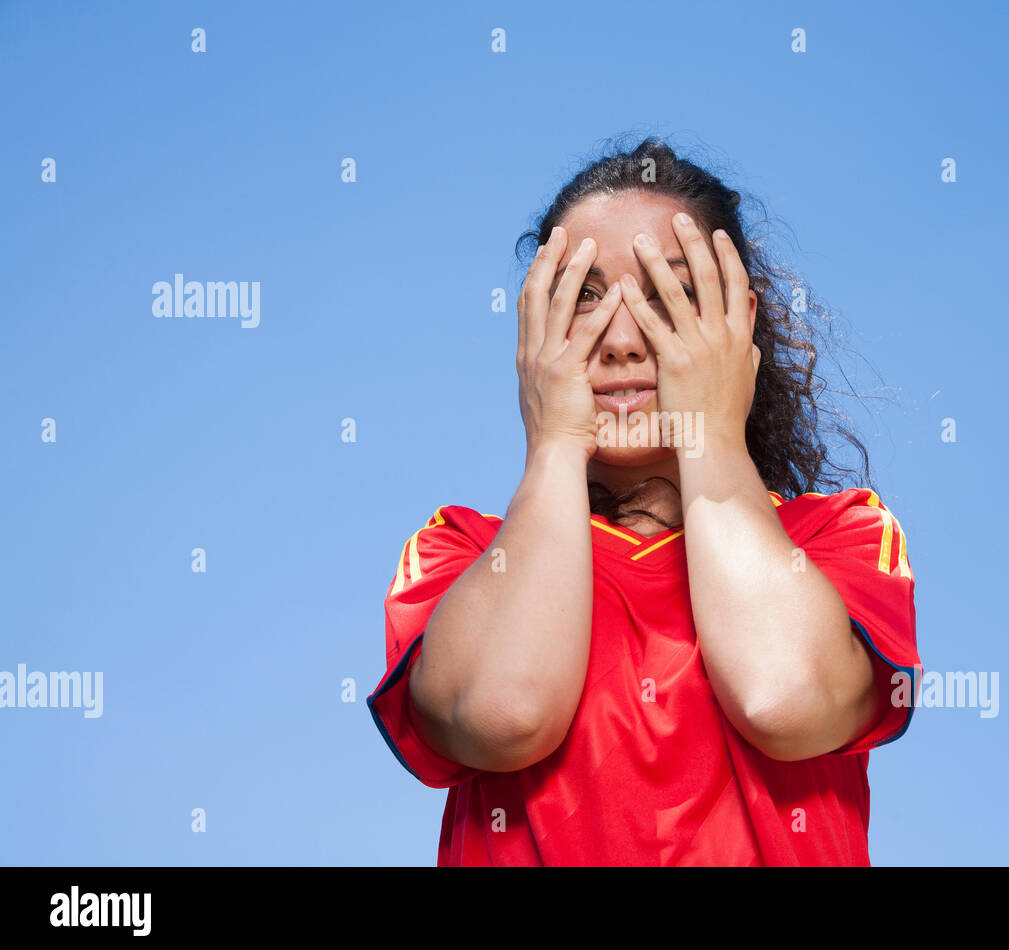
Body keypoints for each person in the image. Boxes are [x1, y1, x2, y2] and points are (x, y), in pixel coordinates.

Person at [367, 137, 921, 865]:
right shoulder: (459, 554)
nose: (622, 341)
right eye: (584, 298)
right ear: (534, 330)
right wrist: (556, 443)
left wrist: (712, 439)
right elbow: (505, 715)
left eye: (670, 298)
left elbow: (785, 700)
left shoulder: (838, 537)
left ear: (739, 321)